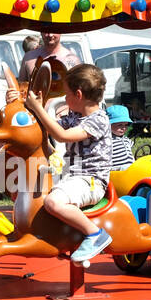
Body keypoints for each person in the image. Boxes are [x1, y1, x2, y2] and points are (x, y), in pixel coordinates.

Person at [21, 64, 113, 263]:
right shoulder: (75, 116)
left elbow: (61, 136)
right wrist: (27, 108)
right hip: (72, 176)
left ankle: (95, 234)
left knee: (53, 202)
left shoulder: (98, 120)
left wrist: (39, 107)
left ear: (78, 95)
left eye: (66, 94)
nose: (64, 98)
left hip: (91, 180)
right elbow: (48, 128)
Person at [106, 104, 135, 171]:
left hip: (130, 169)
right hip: (116, 170)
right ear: (109, 125)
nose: (123, 128)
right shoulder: (107, 140)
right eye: (120, 125)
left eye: (126, 125)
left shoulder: (126, 139)